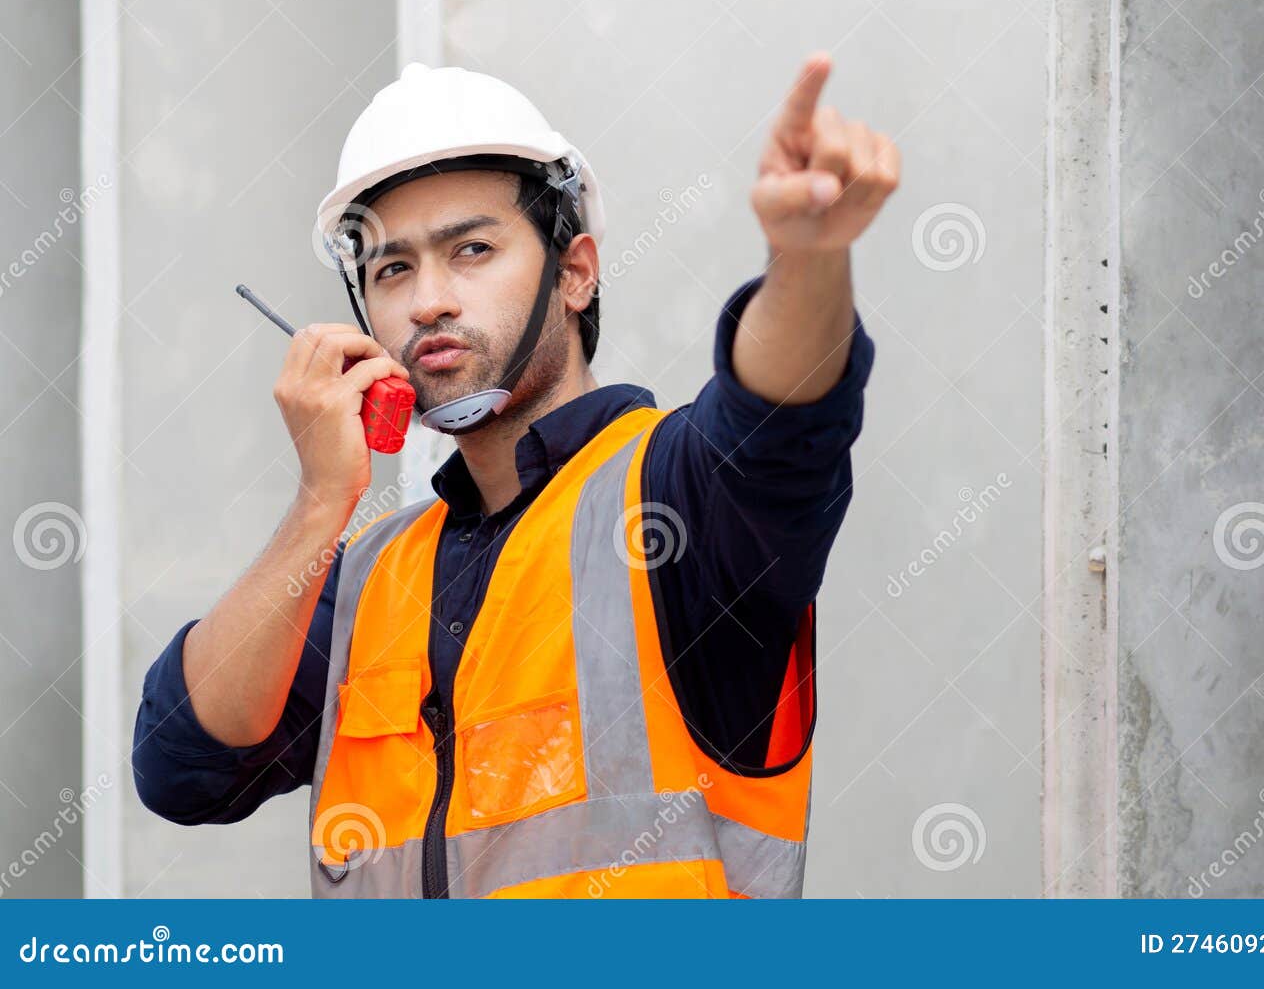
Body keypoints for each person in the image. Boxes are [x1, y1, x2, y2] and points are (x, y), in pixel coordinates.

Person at [132, 54, 899, 898]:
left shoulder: (673, 495)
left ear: (575, 273)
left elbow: (782, 417)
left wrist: (806, 262)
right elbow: (186, 766)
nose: (428, 301)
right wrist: (320, 502)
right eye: (392, 269)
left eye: (472, 250)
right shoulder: (370, 576)